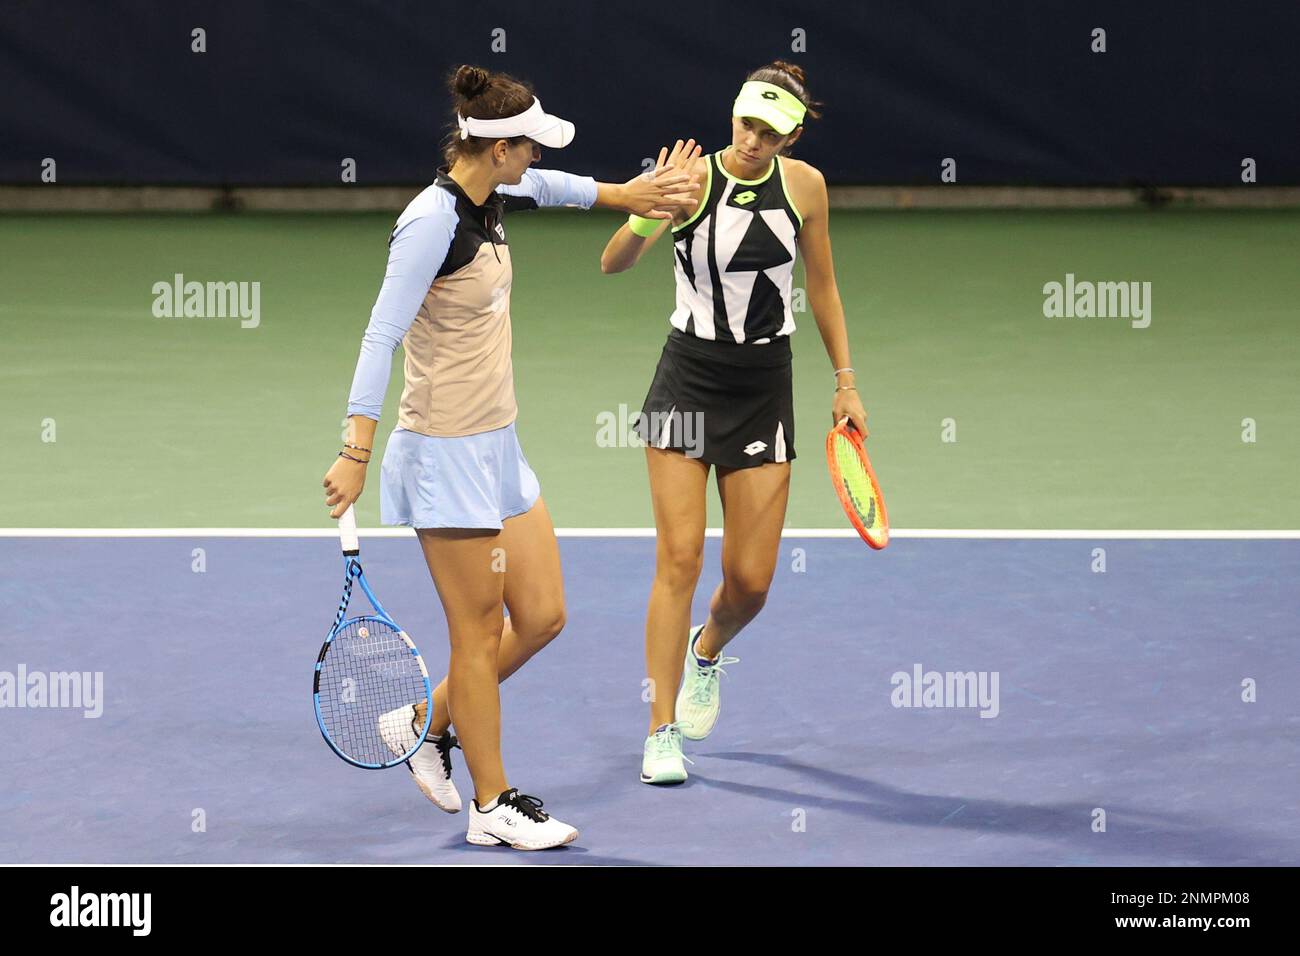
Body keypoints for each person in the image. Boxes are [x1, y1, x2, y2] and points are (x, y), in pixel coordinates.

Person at [322, 64, 697, 847]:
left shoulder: (492, 195)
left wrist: (628, 196)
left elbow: (554, 187)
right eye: (526, 149)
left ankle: (423, 723)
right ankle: (491, 805)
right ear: (497, 150)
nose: (532, 160)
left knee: (544, 614)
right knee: (478, 629)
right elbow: (378, 335)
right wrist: (355, 448)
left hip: (497, 447)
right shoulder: (430, 223)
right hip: (443, 454)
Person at [599, 62, 868, 785]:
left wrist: (846, 381)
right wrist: (647, 206)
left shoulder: (805, 187)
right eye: (747, 123)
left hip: (762, 387)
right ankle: (660, 730)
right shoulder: (690, 181)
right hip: (687, 382)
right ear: (734, 114)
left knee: (750, 584)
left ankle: (707, 650)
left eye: (770, 132)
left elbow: (823, 285)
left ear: (792, 134)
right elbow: (612, 264)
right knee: (678, 560)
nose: (753, 140)